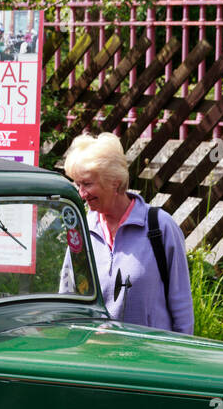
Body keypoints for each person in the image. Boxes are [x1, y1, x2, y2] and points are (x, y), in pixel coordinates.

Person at [63, 132, 193, 334]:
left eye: (87, 184)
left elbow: (181, 303)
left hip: (150, 351)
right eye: (77, 184)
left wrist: (180, 350)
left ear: (114, 181)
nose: (81, 194)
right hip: (95, 350)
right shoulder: (82, 229)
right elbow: (68, 298)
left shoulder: (160, 227)